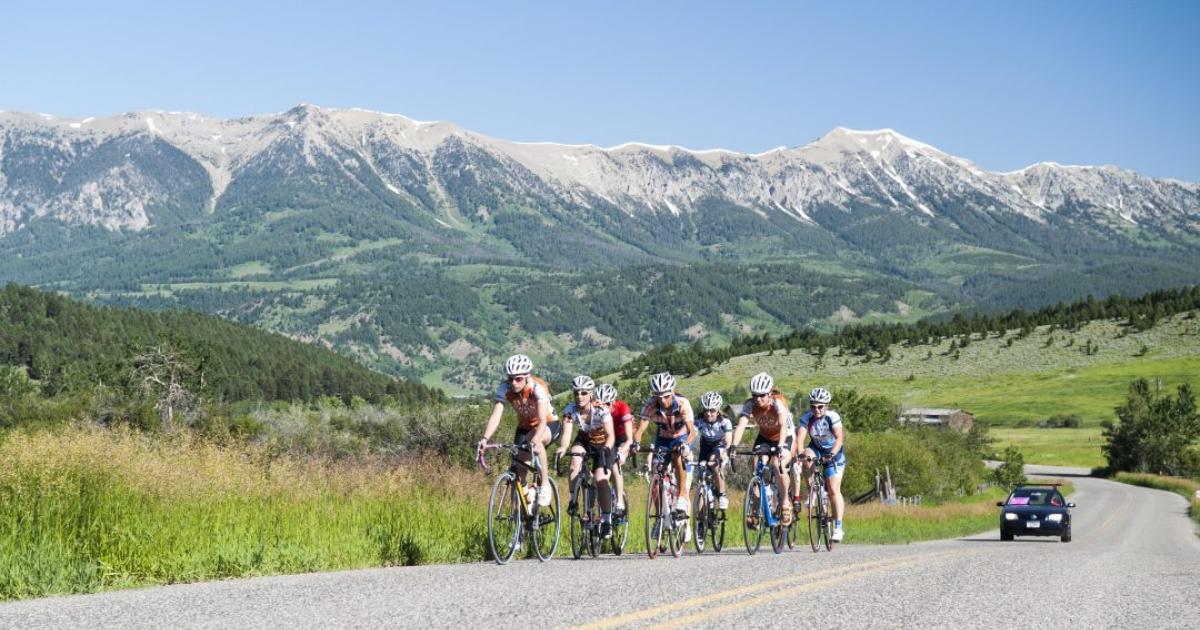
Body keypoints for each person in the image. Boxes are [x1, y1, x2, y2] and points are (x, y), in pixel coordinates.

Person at [477, 354, 558, 508]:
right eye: (510, 378)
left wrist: (535, 439)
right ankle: (520, 518)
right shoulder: (505, 388)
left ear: (527, 377)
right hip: (525, 427)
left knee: (536, 441)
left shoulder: (537, 387)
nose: (513, 383)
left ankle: (545, 485)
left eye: (518, 379)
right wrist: (485, 438)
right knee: (517, 471)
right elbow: (496, 415)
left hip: (548, 423)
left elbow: (542, 420)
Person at [633, 372, 698, 541]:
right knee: (657, 473)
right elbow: (641, 429)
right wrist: (636, 443)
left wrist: (685, 445)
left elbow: (693, 432)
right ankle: (660, 518)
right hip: (663, 439)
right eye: (658, 396)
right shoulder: (650, 405)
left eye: (666, 396)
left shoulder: (683, 403)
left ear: (672, 391)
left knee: (677, 457)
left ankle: (682, 497)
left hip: (682, 437)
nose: (662, 400)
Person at [730, 372, 796, 526]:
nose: (758, 399)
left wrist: (780, 447)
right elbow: (741, 426)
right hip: (765, 437)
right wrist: (733, 445)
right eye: (754, 395)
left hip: (784, 436)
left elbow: (783, 426)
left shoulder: (778, 402)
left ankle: (785, 503)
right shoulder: (750, 404)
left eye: (762, 396)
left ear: (770, 393)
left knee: (777, 465)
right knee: (756, 466)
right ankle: (755, 508)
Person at [557, 375, 617, 537]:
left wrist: (606, 449)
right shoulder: (570, 410)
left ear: (591, 394)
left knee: (600, 480)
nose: (579, 396)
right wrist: (563, 447)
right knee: (573, 464)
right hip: (584, 440)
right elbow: (567, 433)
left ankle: (606, 519)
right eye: (576, 393)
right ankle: (574, 499)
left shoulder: (601, 409)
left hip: (604, 444)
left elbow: (611, 435)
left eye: (583, 393)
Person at [796, 387, 847, 542]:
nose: (816, 410)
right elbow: (800, 439)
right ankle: (813, 490)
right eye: (813, 406)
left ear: (827, 406)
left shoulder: (833, 417)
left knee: (833, 489)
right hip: (816, 448)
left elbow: (839, 438)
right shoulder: (807, 417)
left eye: (820, 406)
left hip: (834, 453)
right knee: (806, 456)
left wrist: (831, 454)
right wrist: (799, 455)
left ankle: (838, 526)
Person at [595, 383, 634, 518]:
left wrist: (623, 450)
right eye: (601, 403)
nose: (604, 407)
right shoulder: (596, 409)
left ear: (613, 402)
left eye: (607, 404)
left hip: (622, 439)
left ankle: (620, 502)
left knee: (615, 465)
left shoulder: (622, 408)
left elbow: (629, 439)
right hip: (607, 439)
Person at [695, 391, 733, 510]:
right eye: (706, 410)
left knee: (714, 464)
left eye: (712, 410)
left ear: (718, 410)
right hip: (705, 446)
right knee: (701, 476)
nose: (708, 414)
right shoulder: (699, 421)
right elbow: (691, 437)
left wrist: (723, 454)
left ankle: (722, 494)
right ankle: (700, 521)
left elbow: (728, 441)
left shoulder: (724, 421)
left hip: (720, 446)